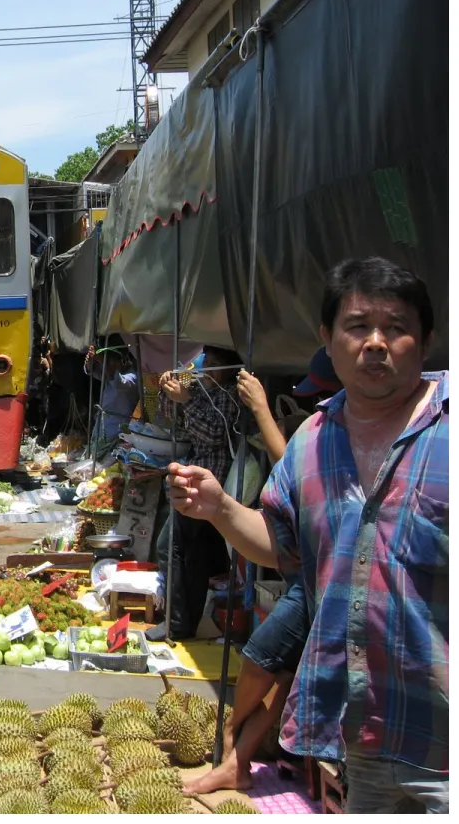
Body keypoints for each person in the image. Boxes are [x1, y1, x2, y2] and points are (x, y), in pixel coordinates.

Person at [167, 257, 447, 813]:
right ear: (327, 338)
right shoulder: (313, 440)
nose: (375, 343)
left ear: (427, 339)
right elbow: (282, 546)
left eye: (395, 327)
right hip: (361, 738)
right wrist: (221, 507)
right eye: (357, 326)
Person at [186, 357, 332, 795]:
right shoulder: (327, 426)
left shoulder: (336, 435)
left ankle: (232, 737)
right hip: (303, 567)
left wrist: (262, 411)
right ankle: (238, 760)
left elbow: (292, 468)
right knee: (284, 677)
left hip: (317, 578)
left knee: (264, 655)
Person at [150, 346, 242, 641]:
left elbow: (213, 433)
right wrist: (169, 390)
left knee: (170, 546)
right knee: (192, 553)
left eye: (216, 364)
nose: (208, 369)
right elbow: (171, 417)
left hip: (211, 484)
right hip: (194, 482)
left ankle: (176, 622)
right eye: (207, 362)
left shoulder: (229, 395)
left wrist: (186, 400)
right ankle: (182, 623)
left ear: (229, 369)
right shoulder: (203, 390)